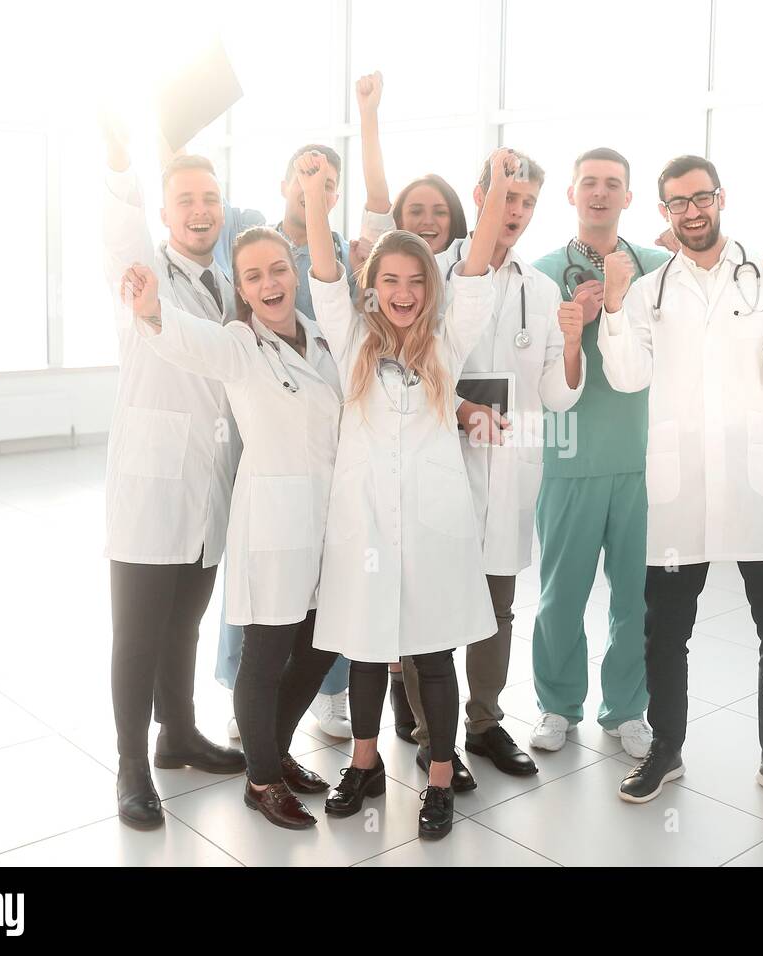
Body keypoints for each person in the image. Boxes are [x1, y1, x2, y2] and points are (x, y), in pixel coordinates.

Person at [597, 155, 763, 819]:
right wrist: (612, 301)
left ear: (720, 198)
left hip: (757, 488)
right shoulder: (647, 291)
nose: (691, 211)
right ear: (663, 212)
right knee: (665, 631)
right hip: (681, 488)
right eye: (677, 202)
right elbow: (628, 377)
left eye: (701, 197)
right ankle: (665, 747)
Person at [303, 146, 516, 839]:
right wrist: (314, 198)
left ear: (429, 286)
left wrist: (494, 193)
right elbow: (324, 275)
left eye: (414, 281)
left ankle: (440, 776)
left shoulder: (448, 342)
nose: (401, 292)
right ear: (374, 286)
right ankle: (363, 764)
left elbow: (479, 265)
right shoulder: (352, 338)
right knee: (365, 647)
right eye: (388, 279)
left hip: (433, 524)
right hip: (364, 523)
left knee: (431, 653)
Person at [121, 224, 347, 829]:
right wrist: (152, 312)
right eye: (253, 276)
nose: (269, 282)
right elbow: (189, 342)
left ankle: (267, 748)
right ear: (242, 290)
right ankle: (263, 779)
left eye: (277, 269)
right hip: (274, 515)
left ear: (293, 273)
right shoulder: (239, 345)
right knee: (266, 653)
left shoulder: (324, 338)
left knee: (322, 645)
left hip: (332, 517)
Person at [210, 74, 396, 743]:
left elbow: (381, 205)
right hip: (261, 412)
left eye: (325, 179)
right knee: (263, 579)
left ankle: (325, 693)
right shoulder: (248, 229)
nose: (313, 184)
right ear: (286, 178)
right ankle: (247, 703)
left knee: (327, 573)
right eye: (304, 172)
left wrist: (367, 115)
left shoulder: (340, 254)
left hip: (328, 429)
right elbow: (202, 215)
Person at [396, 148, 585, 789]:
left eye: (528, 202)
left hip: (510, 466)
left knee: (496, 610)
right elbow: (408, 366)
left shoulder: (542, 288)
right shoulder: (434, 273)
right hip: (442, 460)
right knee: (435, 606)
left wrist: (575, 340)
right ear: (479, 197)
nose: (516, 212)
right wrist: (459, 410)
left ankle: (482, 722)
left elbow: (559, 396)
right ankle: (431, 736)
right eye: (506, 196)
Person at [100, 121, 246, 830]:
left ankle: (177, 734)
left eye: (210, 197)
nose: (200, 209)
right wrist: (121, 160)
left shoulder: (228, 282)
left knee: (185, 623)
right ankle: (131, 763)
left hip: (207, 484)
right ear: (165, 210)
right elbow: (119, 230)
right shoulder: (142, 273)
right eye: (185, 197)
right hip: (151, 486)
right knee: (137, 633)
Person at [530, 147, 671, 759]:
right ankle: (557, 705)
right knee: (562, 592)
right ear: (571, 193)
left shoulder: (659, 267)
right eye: (589, 182)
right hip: (569, 456)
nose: (600, 193)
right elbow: (536, 367)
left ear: (629, 198)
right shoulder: (539, 273)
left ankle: (627, 709)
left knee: (634, 595)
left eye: (613, 184)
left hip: (640, 457)